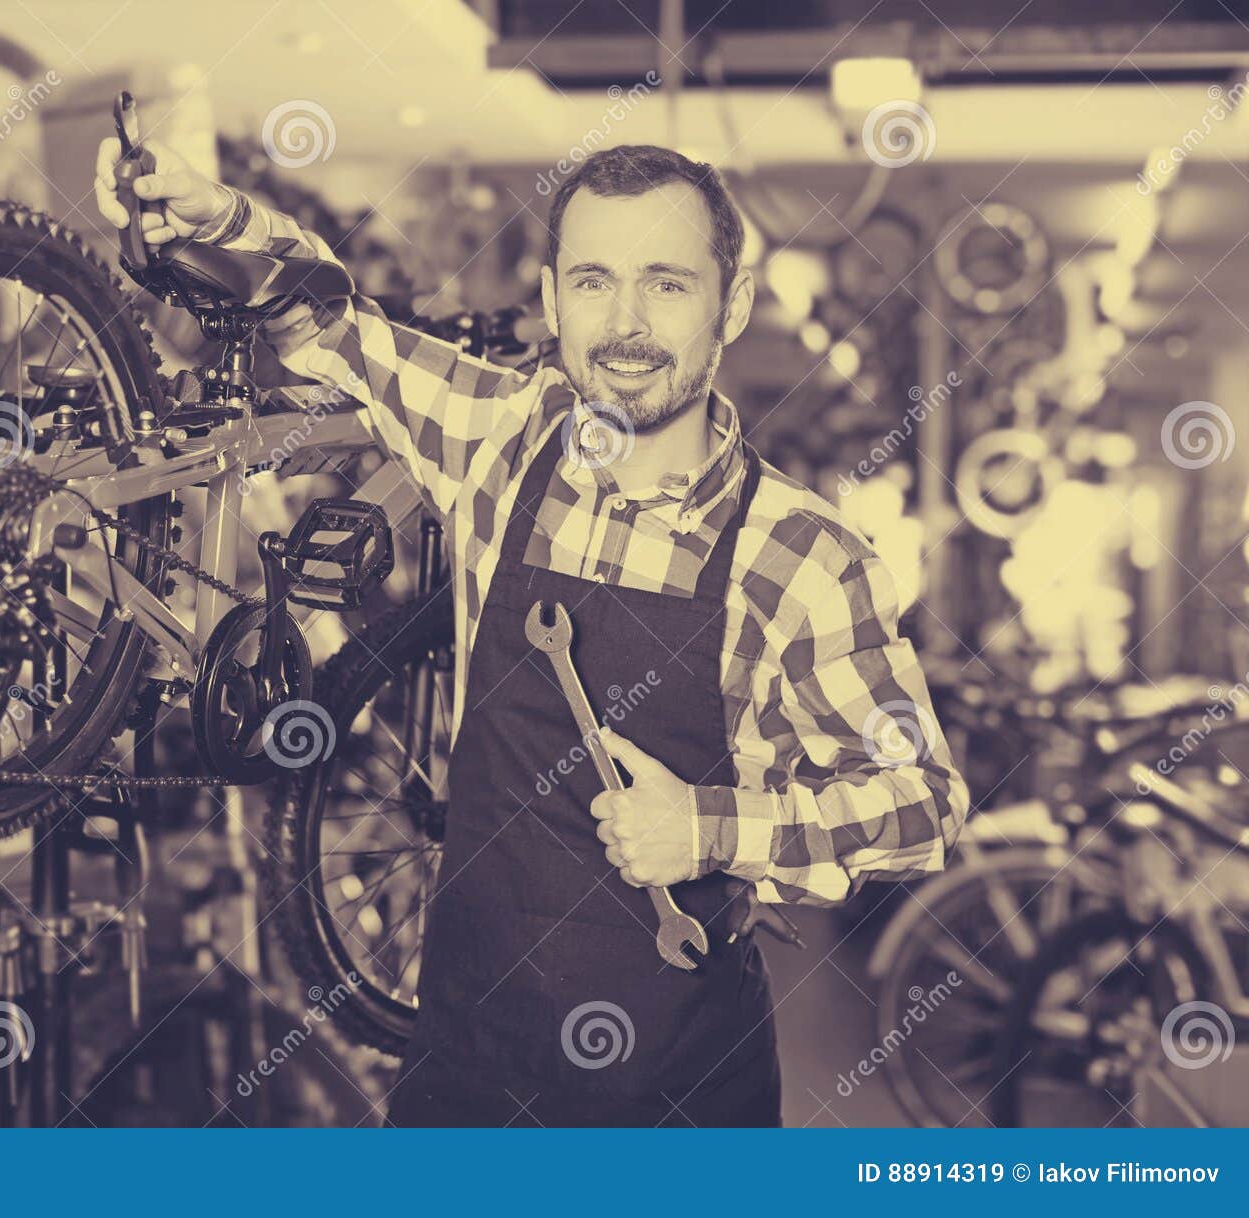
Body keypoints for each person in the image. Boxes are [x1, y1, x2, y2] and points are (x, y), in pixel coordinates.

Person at [95, 136, 970, 1127]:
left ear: (731, 304)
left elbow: (921, 804)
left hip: (674, 1104)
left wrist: (713, 828)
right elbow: (330, 323)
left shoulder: (805, 556)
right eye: (594, 281)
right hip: (461, 1074)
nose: (625, 324)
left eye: (667, 284)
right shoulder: (502, 443)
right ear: (551, 300)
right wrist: (218, 222)